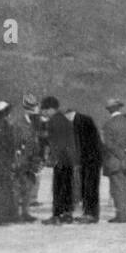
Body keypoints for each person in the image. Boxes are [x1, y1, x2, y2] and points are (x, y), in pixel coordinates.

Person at [39, 96, 78, 225]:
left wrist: (53, 158)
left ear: (50, 109)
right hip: (69, 158)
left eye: (44, 110)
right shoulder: (64, 120)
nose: (43, 113)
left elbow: (56, 142)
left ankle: (57, 215)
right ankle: (67, 214)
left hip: (60, 158)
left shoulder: (53, 121)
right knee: (67, 186)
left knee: (58, 187)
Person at [100, 98, 126, 223]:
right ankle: (122, 213)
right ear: (119, 108)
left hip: (115, 161)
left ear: (109, 110)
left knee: (117, 189)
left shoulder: (108, 124)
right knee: (124, 188)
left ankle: (121, 215)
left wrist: (120, 154)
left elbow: (108, 144)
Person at [66, 105, 103, 223]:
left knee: (90, 187)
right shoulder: (81, 120)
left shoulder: (82, 121)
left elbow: (83, 143)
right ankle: (88, 213)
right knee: (87, 187)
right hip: (89, 159)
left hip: (91, 160)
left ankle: (91, 214)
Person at [11, 94, 43, 223]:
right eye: (35, 107)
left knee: (29, 186)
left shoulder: (36, 123)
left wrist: (38, 158)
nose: (37, 109)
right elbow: (14, 143)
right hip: (21, 159)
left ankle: (25, 213)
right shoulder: (18, 124)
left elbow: (38, 141)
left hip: (32, 159)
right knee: (18, 187)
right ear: (28, 109)